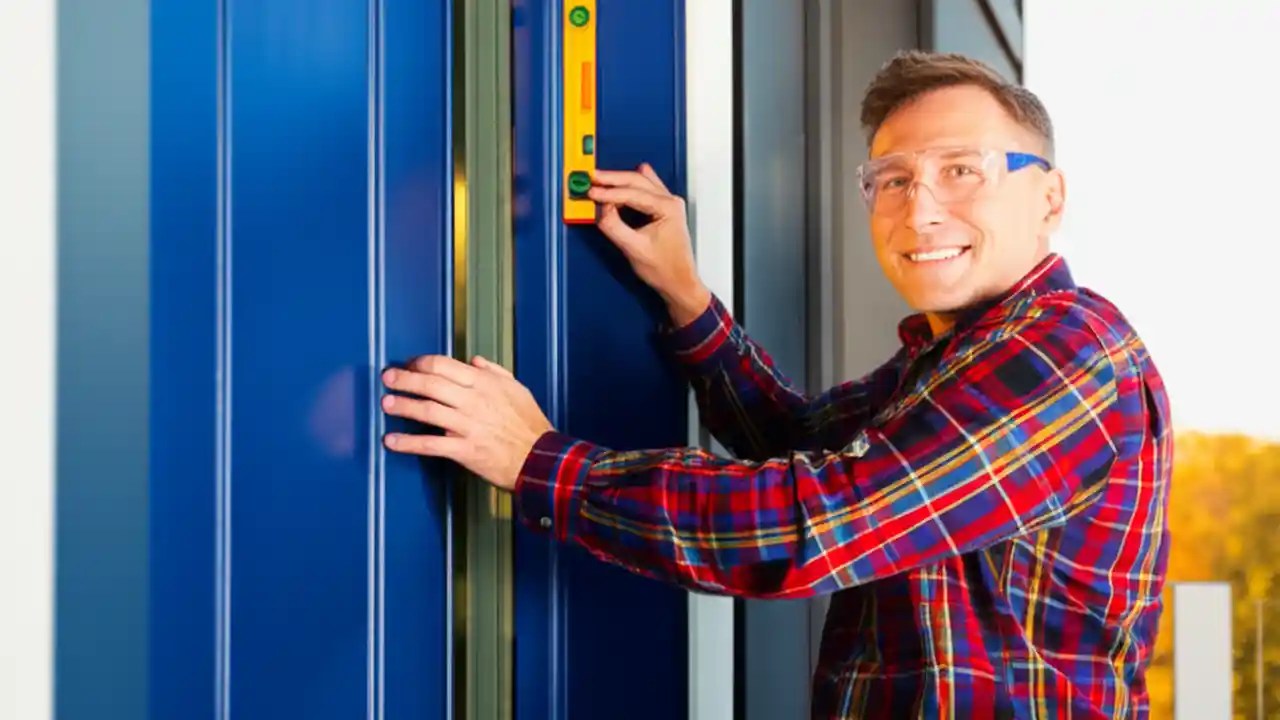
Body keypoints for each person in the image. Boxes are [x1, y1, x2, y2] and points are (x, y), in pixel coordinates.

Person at [379, 50, 1171, 719]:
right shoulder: (952, 358)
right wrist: (686, 296)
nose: (919, 209)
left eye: (963, 170)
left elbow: (813, 524)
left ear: (1049, 197)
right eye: (891, 179)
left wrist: (537, 461)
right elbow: (793, 443)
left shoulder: (1070, 355)